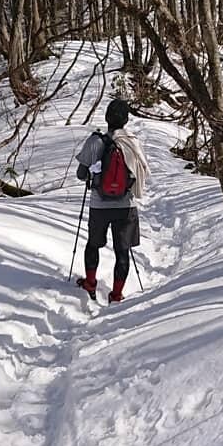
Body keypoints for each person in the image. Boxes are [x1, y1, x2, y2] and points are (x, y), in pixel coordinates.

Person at [74, 98, 150, 302]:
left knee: (93, 245)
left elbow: (81, 174)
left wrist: (93, 172)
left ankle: (90, 283)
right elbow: (140, 173)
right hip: (125, 206)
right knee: (122, 251)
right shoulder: (133, 143)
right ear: (126, 120)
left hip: (99, 205)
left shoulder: (95, 141)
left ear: (107, 118)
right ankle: (116, 294)